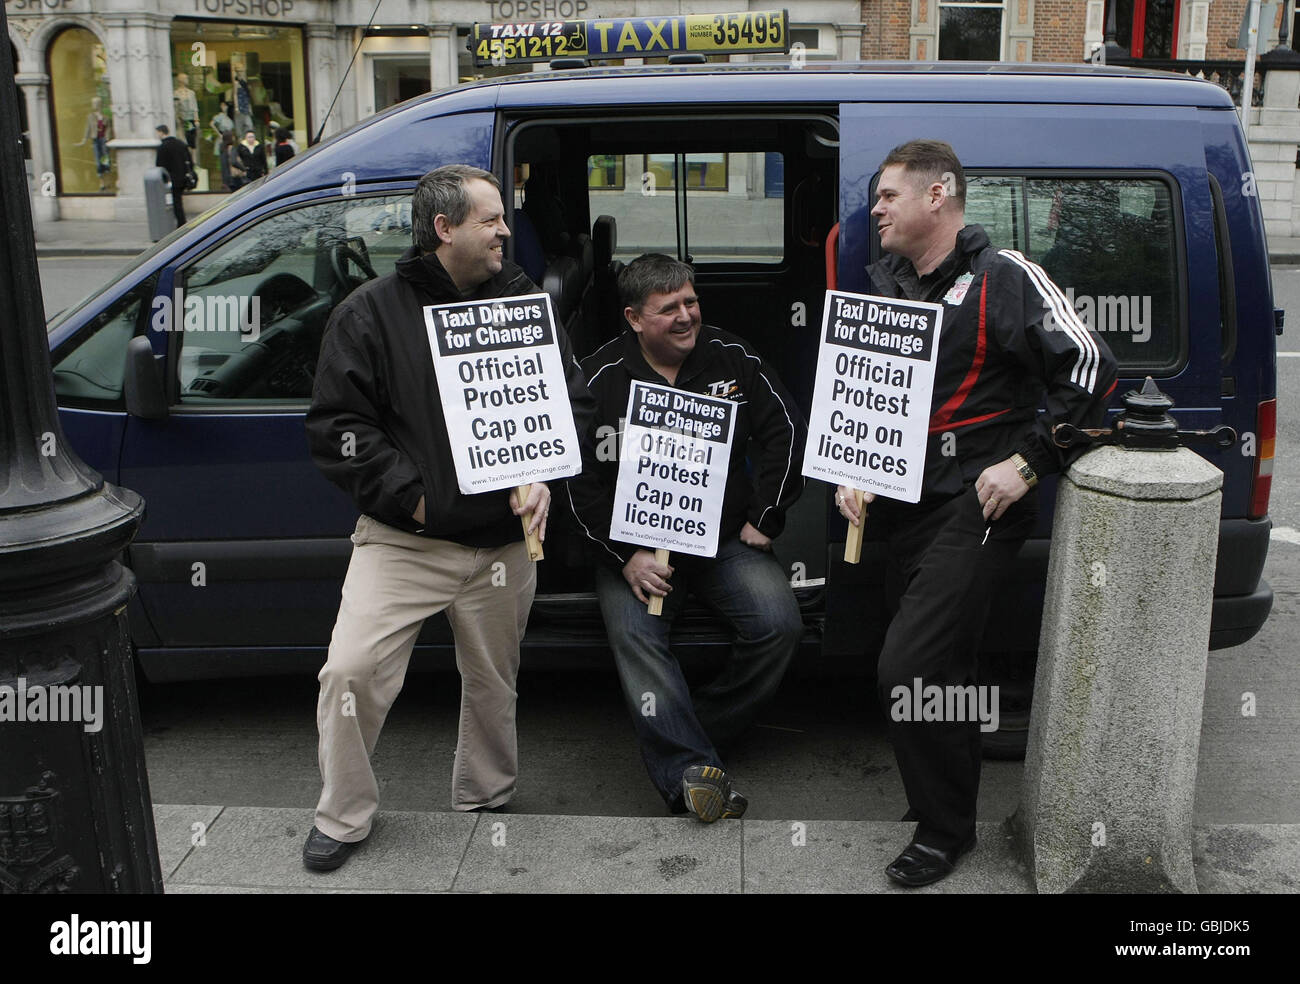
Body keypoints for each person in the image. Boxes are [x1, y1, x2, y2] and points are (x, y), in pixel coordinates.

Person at [835, 139, 1118, 887]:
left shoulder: (1003, 275)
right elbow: (870, 408)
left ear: (939, 195)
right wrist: (854, 472)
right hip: (905, 512)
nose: (877, 209)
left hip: (977, 508)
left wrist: (1029, 461)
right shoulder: (889, 287)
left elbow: (1090, 369)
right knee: (943, 668)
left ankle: (941, 829)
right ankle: (949, 810)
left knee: (909, 665)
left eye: (890, 195)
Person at [302, 164, 595, 871]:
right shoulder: (369, 312)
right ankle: (342, 816)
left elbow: (573, 404)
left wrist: (545, 468)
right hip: (405, 542)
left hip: (503, 546)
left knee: (495, 681)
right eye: (491, 220)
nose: (505, 231)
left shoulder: (522, 302)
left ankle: (487, 798)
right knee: (349, 672)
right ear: (444, 229)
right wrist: (416, 497)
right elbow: (339, 428)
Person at [567, 253, 807, 822]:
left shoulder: (733, 357)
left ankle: (687, 732)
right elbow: (574, 479)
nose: (686, 316)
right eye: (668, 308)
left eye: (691, 302)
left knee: (780, 624)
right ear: (632, 317)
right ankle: (690, 775)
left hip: (724, 540)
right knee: (637, 638)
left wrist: (766, 515)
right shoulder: (599, 377)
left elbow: (787, 430)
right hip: (638, 549)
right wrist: (625, 557)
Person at [154, 124, 193, 227]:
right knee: (178, 200)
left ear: (161, 132)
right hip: (183, 177)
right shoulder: (180, 144)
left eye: (157, 132)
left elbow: (159, 166)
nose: (157, 135)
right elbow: (189, 160)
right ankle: (181, 221)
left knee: (175, 202)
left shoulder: (163, 147)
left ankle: (181, 222)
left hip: (171, 179)